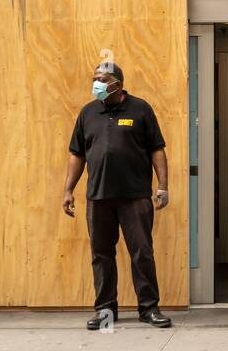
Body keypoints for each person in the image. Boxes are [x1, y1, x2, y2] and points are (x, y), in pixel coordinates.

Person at [62, 61, 171, 330]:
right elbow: (77, 154)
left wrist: (163, 186)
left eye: (102, 79)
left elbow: (157, 149)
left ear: (117, 84)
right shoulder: (88, 113)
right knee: (101, 254)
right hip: (99, 197)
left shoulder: (140, 109)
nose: (96, 83)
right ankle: (105, 310)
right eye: (94, 78)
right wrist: (68, 189)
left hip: (135, 196)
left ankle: (149, 308)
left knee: (142, 252)